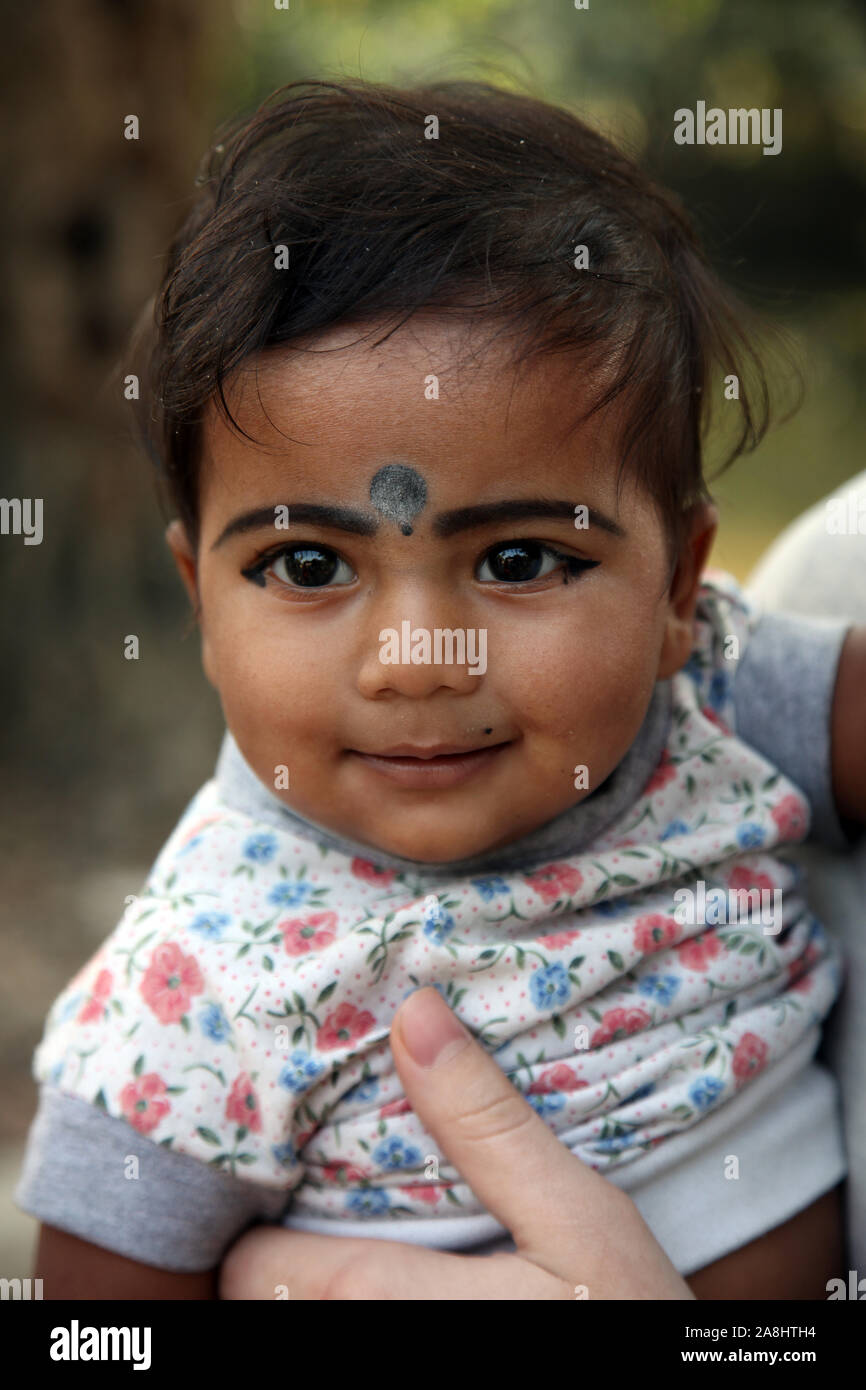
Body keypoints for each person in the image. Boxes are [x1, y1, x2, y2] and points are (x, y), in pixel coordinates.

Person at [16, 78, 864, 1299]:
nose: (418, 659)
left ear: (677, 589)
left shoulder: (706, 691)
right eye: (306, 564)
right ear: (201, 600)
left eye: (520, 560)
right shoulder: (199, 989)